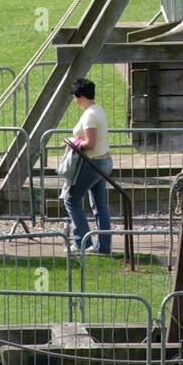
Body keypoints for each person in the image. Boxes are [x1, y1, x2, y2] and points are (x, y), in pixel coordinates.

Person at [64, 77, 112, 255]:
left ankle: (81, 242)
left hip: (94, 162)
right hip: (103, 161)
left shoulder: (90, 114)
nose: (75, 101)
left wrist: (72, 142)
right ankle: (103, 246)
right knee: (99, 205)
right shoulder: (97, 109)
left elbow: (90, 143)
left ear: (80, 96)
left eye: (75, 97)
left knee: (71, 199)